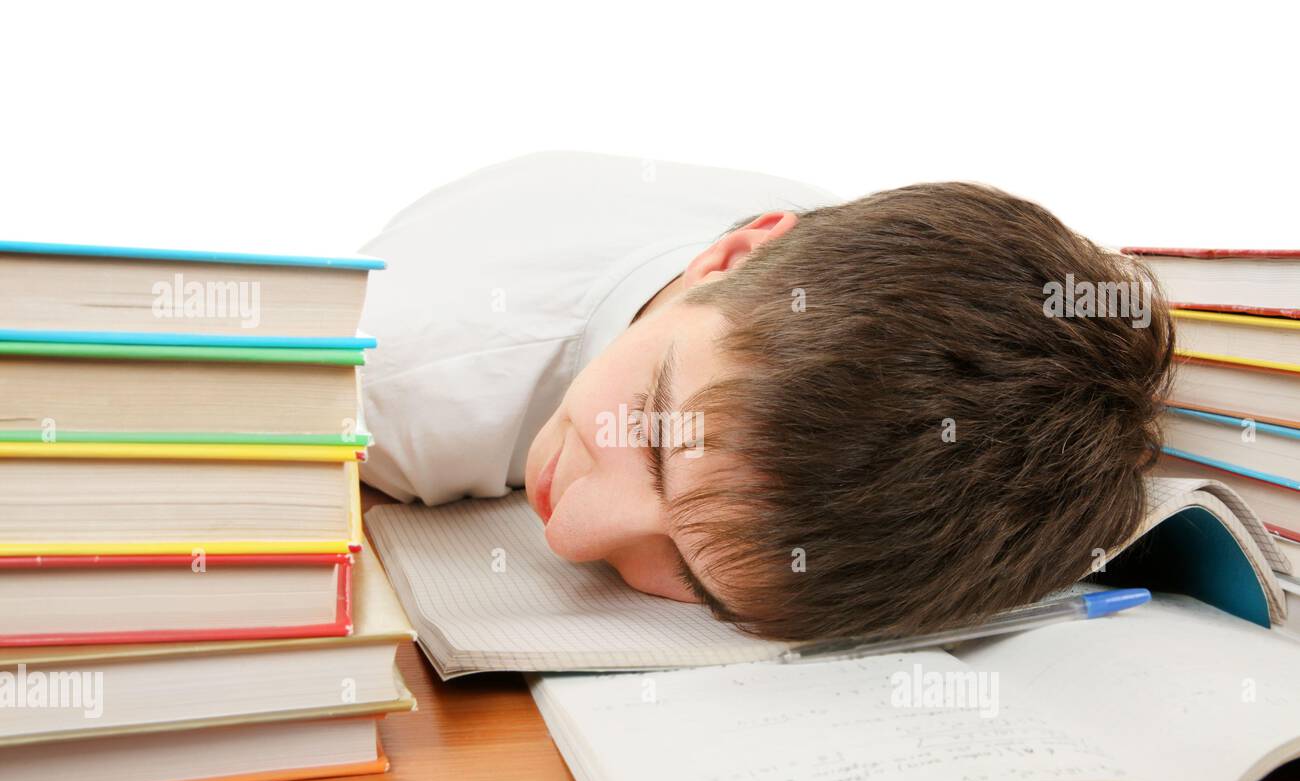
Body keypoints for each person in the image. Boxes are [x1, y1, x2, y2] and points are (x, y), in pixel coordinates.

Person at [358, 151, 1172, 640]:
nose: (571, 536)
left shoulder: (832, 272)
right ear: (730, 256)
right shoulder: (393, 386)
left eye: (691, 572)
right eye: (648, 432)